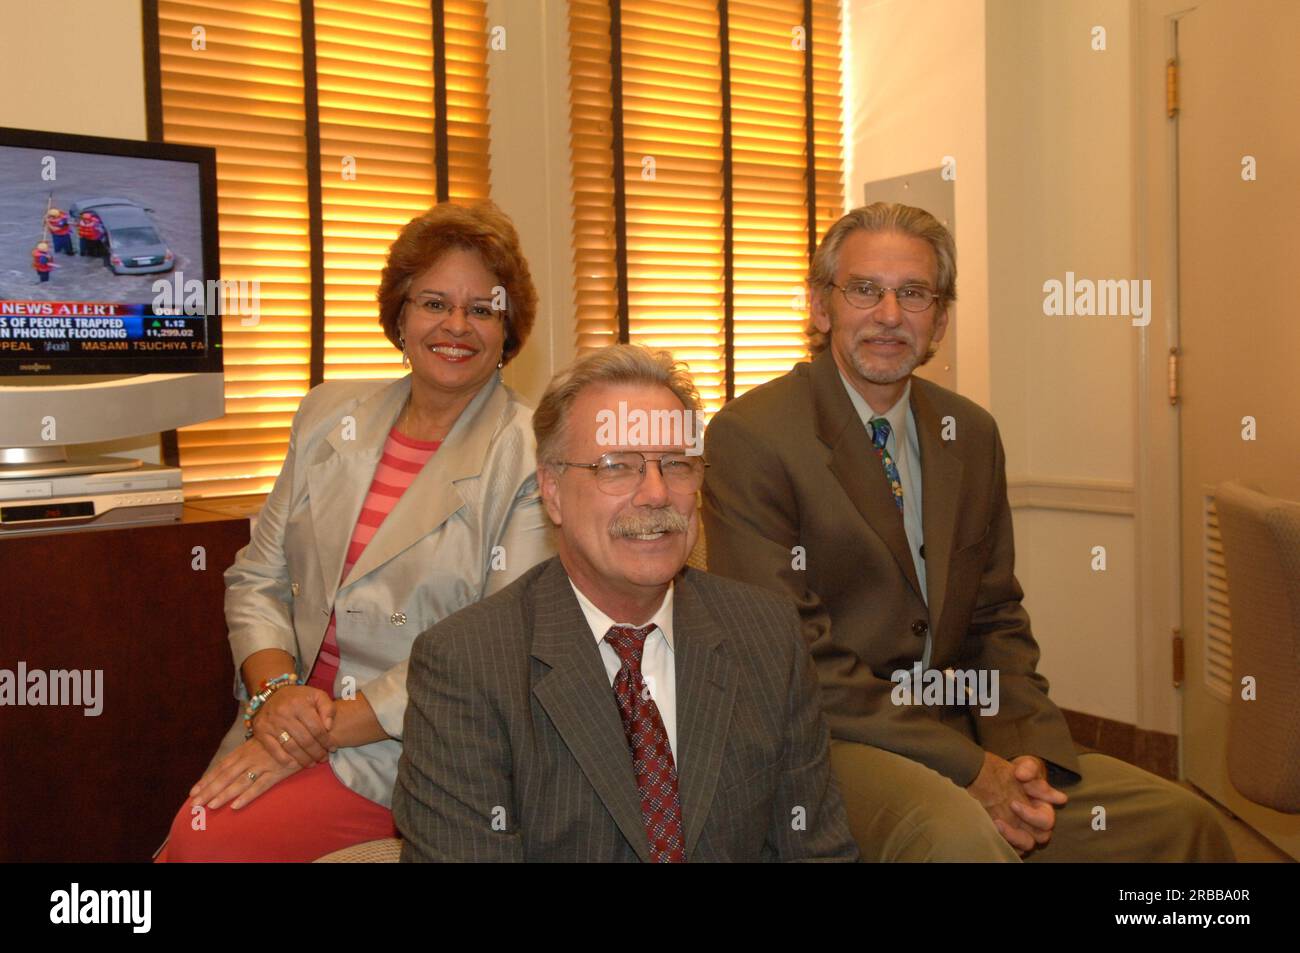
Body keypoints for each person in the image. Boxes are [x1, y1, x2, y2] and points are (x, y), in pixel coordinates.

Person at [702, 202, 1234, 862]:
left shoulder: (970, 434)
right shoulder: (752, 436)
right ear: (819, 307)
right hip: (826, 743)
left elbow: (996, 616)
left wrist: (1027, 755)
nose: (890, 315)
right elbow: (794, 662)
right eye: (865, 289)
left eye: (915, 294)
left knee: (1180, 821)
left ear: (941, 320)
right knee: (960, 841)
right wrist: (975, 771)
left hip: (964, 726)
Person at [156, 201, 554, 862]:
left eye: (482, 309)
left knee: (206, 846)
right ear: (399, 314)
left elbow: (496, 649)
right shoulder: (328, 413)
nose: (456, 325)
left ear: (508, 330)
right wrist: (273, 696)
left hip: (417, 741)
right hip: (293, 715)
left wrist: (321, 729)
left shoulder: (530, 451)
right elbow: (257, 580)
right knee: (191, 834)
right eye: (434, 302)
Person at [394, 345, 858, 862]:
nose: (657, 493)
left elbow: (816, 851)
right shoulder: (466, 665)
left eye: (677, 465)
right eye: (618, 466)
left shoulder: (768, 634)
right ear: (552, 492)